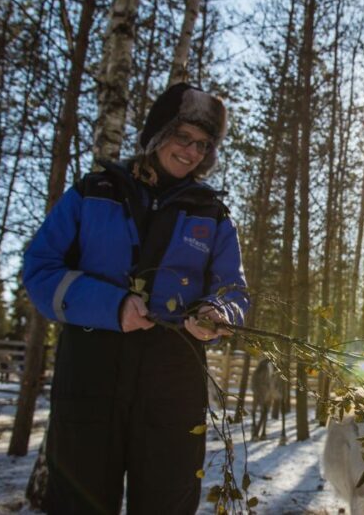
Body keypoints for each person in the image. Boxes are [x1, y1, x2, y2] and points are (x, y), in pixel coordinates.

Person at [23, 83, 249, 514]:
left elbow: (233, 290)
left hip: (174, 382)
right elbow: (40, 270)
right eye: (183, 136)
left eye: (203, 144)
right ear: (158, 133)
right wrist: (111, 306)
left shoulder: (213, 214)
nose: (192, 151)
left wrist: (216, 312)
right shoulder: (93, 193)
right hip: (90, 377)